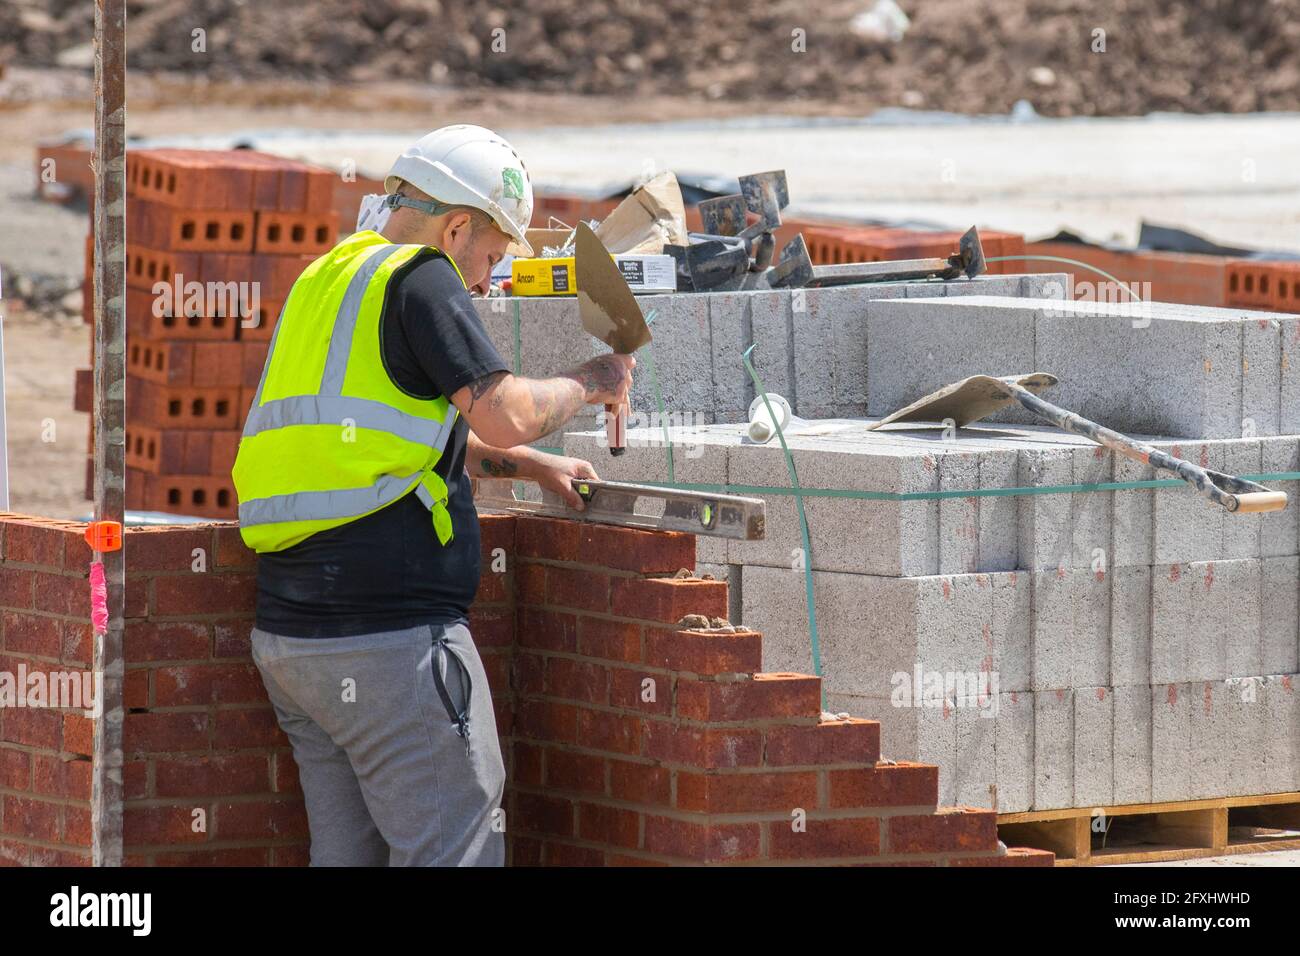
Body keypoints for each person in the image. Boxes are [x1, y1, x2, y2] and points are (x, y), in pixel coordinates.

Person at [231, 124, 634, 866]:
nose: (484, 280)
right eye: (490, 255)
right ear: (455, 226)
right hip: (389, 643)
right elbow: (504, 409)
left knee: (346, 856)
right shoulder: (421, 276)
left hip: (295, 642)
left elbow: (373, 444)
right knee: (454, 847)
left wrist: (531, 467)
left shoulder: (326, 279)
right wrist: (591, 382)